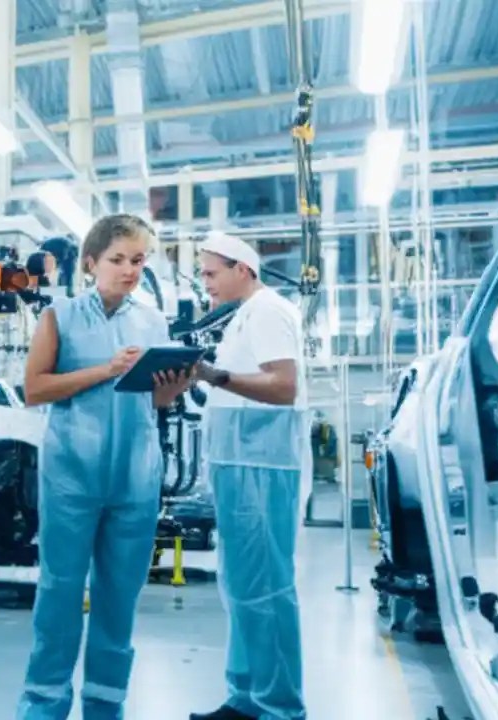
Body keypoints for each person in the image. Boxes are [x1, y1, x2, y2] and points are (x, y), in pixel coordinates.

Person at [16, 213, 194, 720]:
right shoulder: (60, 316)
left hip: (135, 477)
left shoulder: (153, 321)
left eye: (138, 260)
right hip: (72, 472)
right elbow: (35, 389)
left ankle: (105, 703)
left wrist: (174, 383)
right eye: (118, 260)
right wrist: (106, 369)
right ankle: (44, 701)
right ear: (91, 263)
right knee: (60, 592)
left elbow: (157, 405)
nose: (130, 270)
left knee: (119, 598)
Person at [188, 232, 309, 720]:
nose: (206, 284)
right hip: (239, 463)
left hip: (262, 464)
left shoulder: (269, 312)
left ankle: (279, 707)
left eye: (211, 273)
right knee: (241, 587)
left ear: (243, 269)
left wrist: (212, 375)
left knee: (266, 590)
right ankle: (245, 698)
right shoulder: (244, 318)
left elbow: (283, 386)